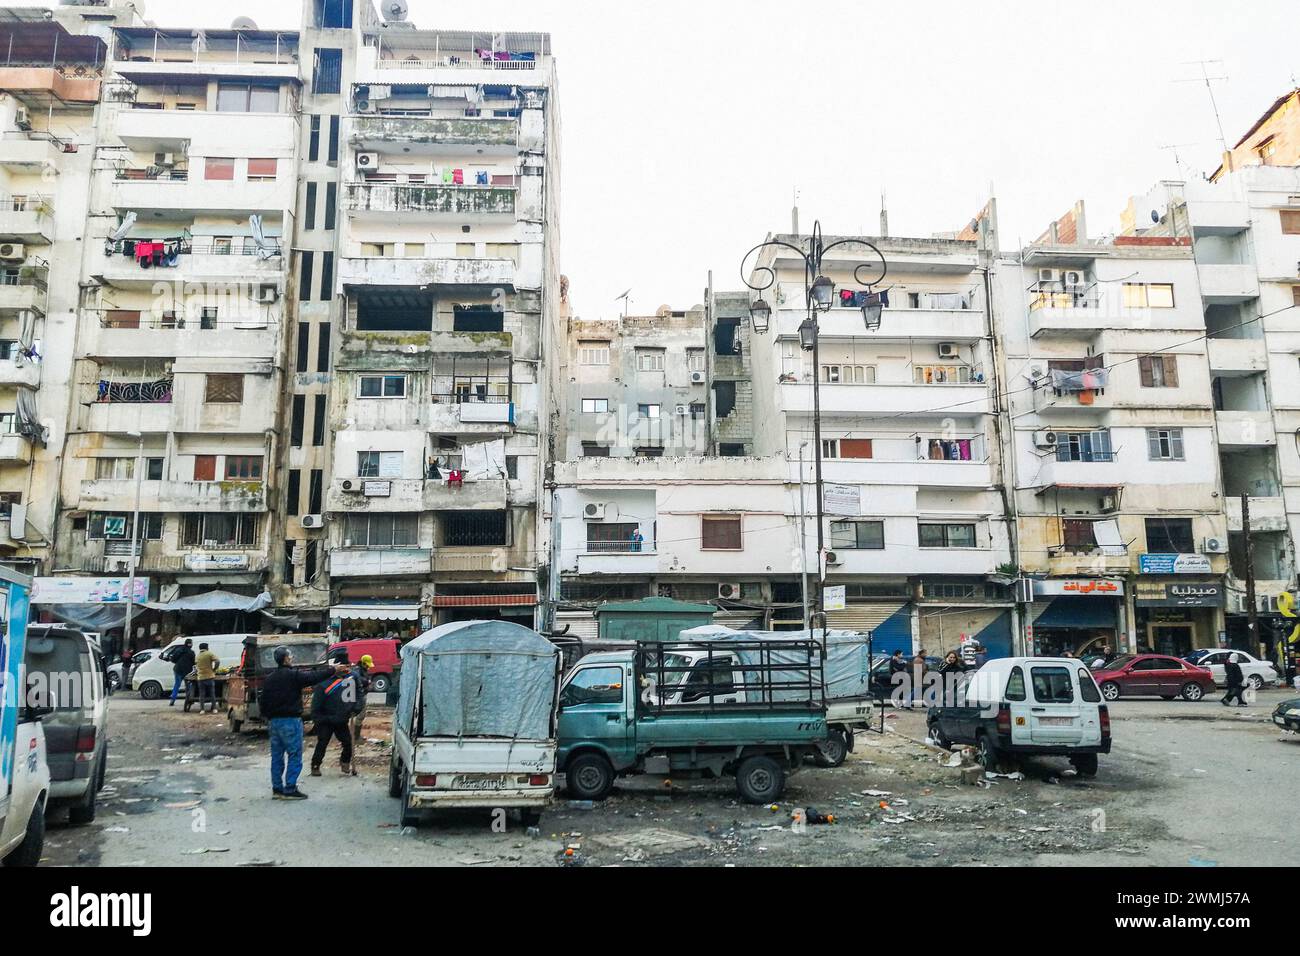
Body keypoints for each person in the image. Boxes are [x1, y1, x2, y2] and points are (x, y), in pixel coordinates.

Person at [263, 646, 350, 800]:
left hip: (274, 722)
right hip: (290, 721)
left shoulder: (269, 679)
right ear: (285, 659)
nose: (292, 658)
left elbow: (263, 702)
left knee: (277, 756)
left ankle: (277, 789)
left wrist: (269, 717)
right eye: (290, 656)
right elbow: (313, 677)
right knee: (294, 754)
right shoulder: (293, 676)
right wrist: (333, 670)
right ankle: (290, 788)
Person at [310, 665, 361, 777]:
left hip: (340, 719)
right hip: (325, 720)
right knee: (322, 743)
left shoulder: (347, 683)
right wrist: (318, 719)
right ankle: (315, 765)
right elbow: (316, 705)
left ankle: (345, 762)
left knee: (347, 742)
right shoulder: (323, 684)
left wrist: (354, 709)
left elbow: (352, 699)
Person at [349, 654, 374, 745]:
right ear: (363, 663)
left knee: (361, 716)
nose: (368, 667)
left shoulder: (363, 669)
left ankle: (356, 736)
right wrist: (367, 682)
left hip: (362, 694)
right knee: (360, 715)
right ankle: (355, 737)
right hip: (359, 696)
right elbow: (357, 680)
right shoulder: (357, 670)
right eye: (367, 665)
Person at [193, 642, 220, 714]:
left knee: (202, 694)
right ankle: (214, 709)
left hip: (201, 677)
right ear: (207, 647)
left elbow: (196, 665)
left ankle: (202, 709)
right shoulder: (209, 654)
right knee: (212, 693)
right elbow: (217, 661)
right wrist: (214, 669)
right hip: (209, 676)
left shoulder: (198, 656)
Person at [169, 639, 195, 707]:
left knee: (177, 684)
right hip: (187, 671)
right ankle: (189, 699)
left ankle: (172, 700)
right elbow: (193, 662)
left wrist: (178, 663)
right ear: (190, 644)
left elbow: (173, 659)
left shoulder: (179, 650)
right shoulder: (191, 652)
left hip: (178, 669)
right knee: (188, 686)